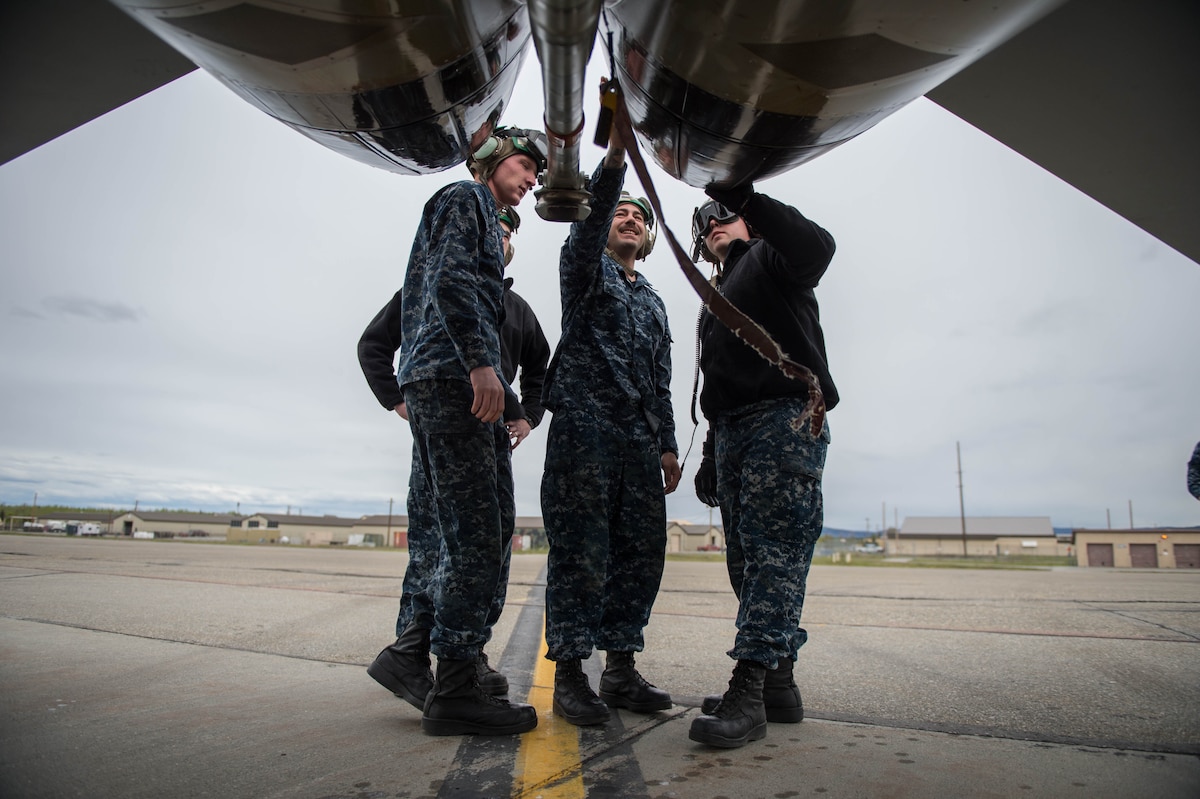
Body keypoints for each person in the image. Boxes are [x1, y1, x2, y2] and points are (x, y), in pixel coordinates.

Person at [358, 205, 551, 711]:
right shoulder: (428, 289)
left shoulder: (517, 309)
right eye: (497, 226)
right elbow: (373, 345)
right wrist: (399, 402)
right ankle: (421, 658)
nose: (502, 235)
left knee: (483, 540)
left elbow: (540, 367)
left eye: (510, 231)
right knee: (437, 543)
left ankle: (451, 655)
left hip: (486, 430)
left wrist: (528, 415)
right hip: (443, 420)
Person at [390, 126, 546, 736]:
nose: (533, 181)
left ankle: (450, 664)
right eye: (527, 166)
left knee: (479, 527)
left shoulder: (477, 208)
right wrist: (482, 366)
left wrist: (510, 397)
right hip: (455, 378)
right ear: (491, 159)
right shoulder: (465, 200)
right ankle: (455, 682)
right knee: (478, 535)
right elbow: (455, 283)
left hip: (447, 377)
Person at [540, 122, 681, 727]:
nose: (629, 221)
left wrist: (669, 446)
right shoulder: (584, 269)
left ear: (648, 239)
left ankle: (620, 669)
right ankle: (570, 674)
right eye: (621, 214)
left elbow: (661, 380)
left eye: (639, 219)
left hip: (637, 444)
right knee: (581, 553)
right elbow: (586, 225)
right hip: (584, 433)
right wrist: (617, 161)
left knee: (639, 555)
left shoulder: (653, 301)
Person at [687, 183, 837, 749]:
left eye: (724, 216)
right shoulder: (718, 292)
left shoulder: (772, 260)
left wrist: (747, 198)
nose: (713, 225)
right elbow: (720, 378)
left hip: (784, 418)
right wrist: (709, 451)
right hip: (732, 431)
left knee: (775, 555)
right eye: (705, 223)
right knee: (747, 563)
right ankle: (779, 684)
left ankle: (748, 689)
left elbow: (816, 248)